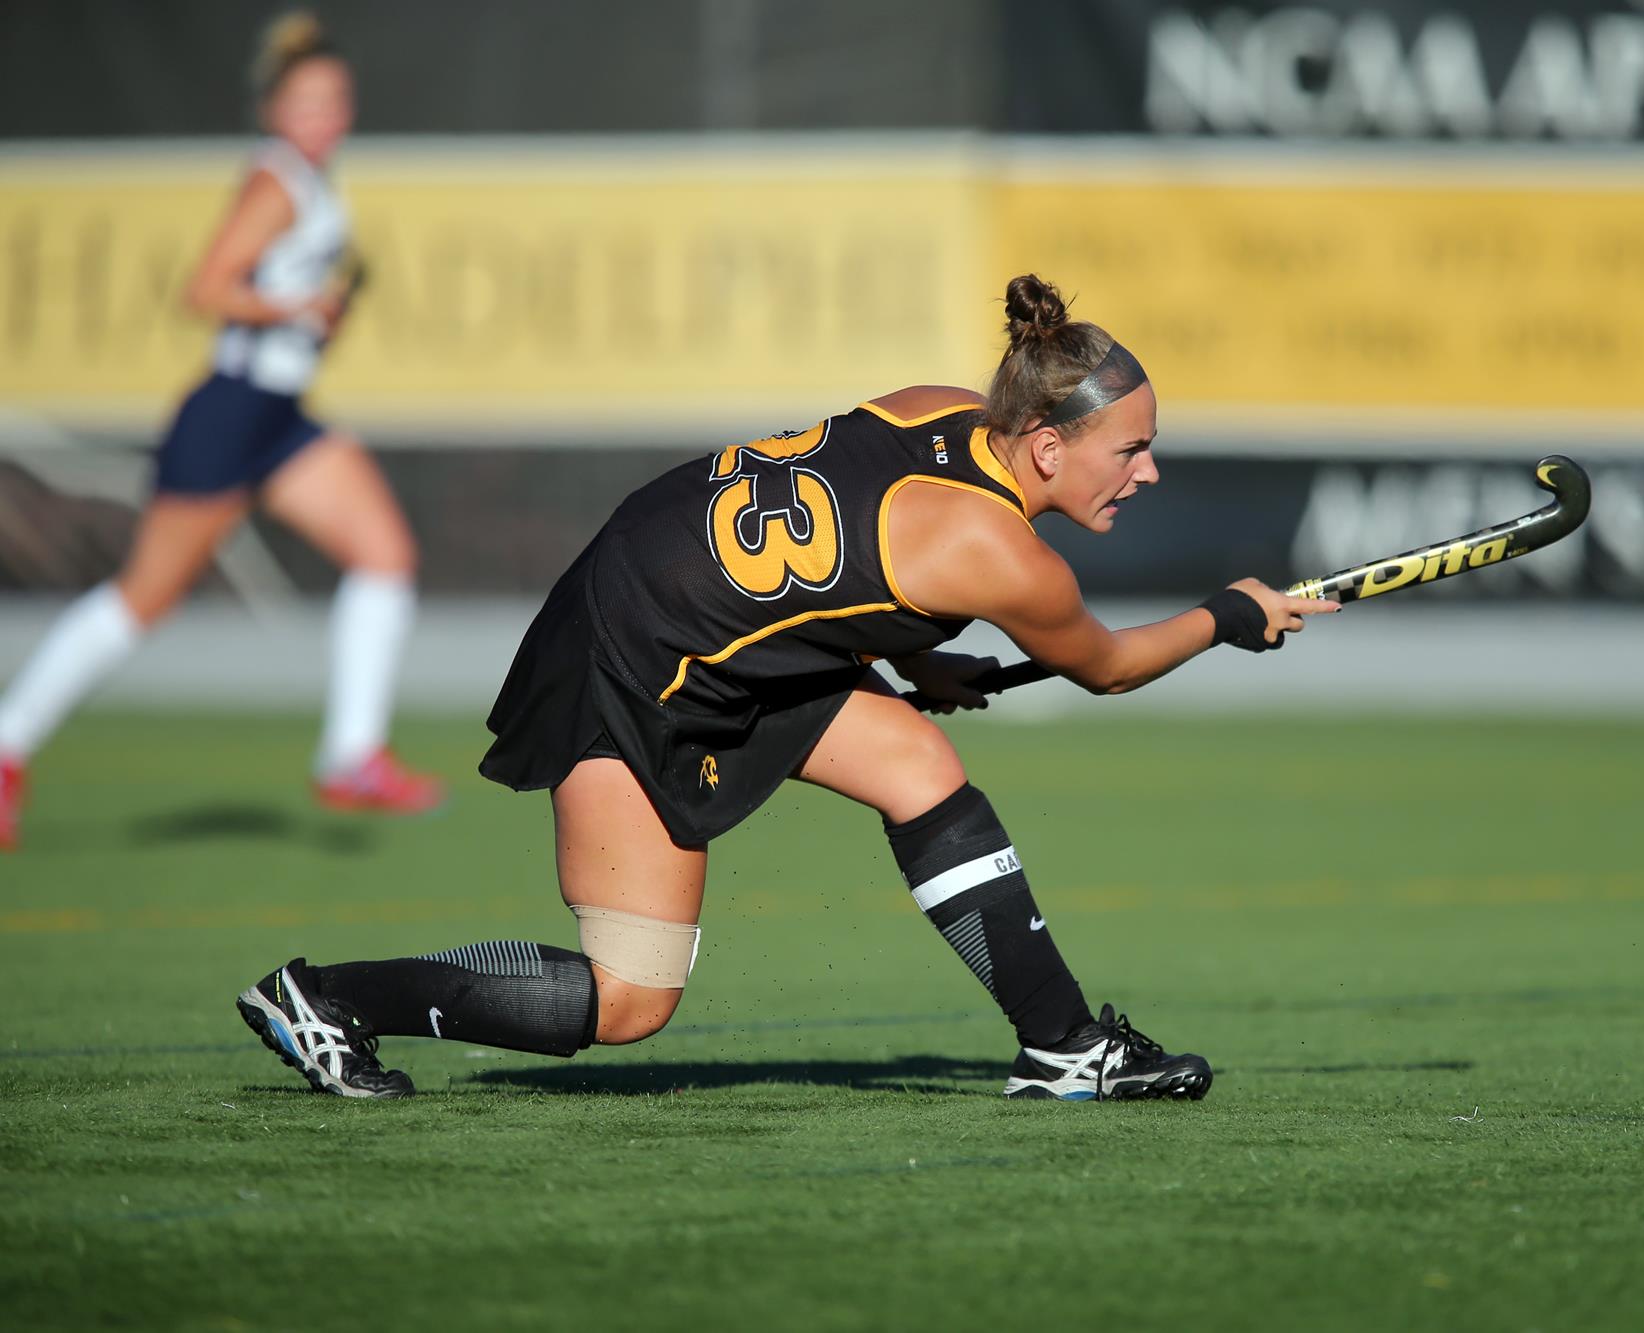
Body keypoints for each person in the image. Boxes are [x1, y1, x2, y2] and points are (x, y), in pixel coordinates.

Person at [235, 274, 1337, 1101]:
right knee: (631, 997)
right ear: (1045, 446)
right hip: (634, 657)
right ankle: (326, 997)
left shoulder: (940, 407)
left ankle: (1061, 1046)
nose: (1146, 472)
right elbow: (1098, 667)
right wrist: (1228, 617)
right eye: (1130, 450)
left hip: (694, 605)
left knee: (913, 759)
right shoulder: (1003, 555)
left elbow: (842, 548)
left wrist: (918, 661)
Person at [0, 11, 439, 852]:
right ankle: (6, 743)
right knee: (142, 602)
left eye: (336, 98)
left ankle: (352, 756)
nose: (325, 115)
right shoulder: (275, 181)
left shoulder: (311, 181)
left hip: (277, 416)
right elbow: (206, 288)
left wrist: (312, 315)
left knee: (385, 555)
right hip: (230, 413)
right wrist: (297, 305)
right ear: (273, 109)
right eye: (307, 101)